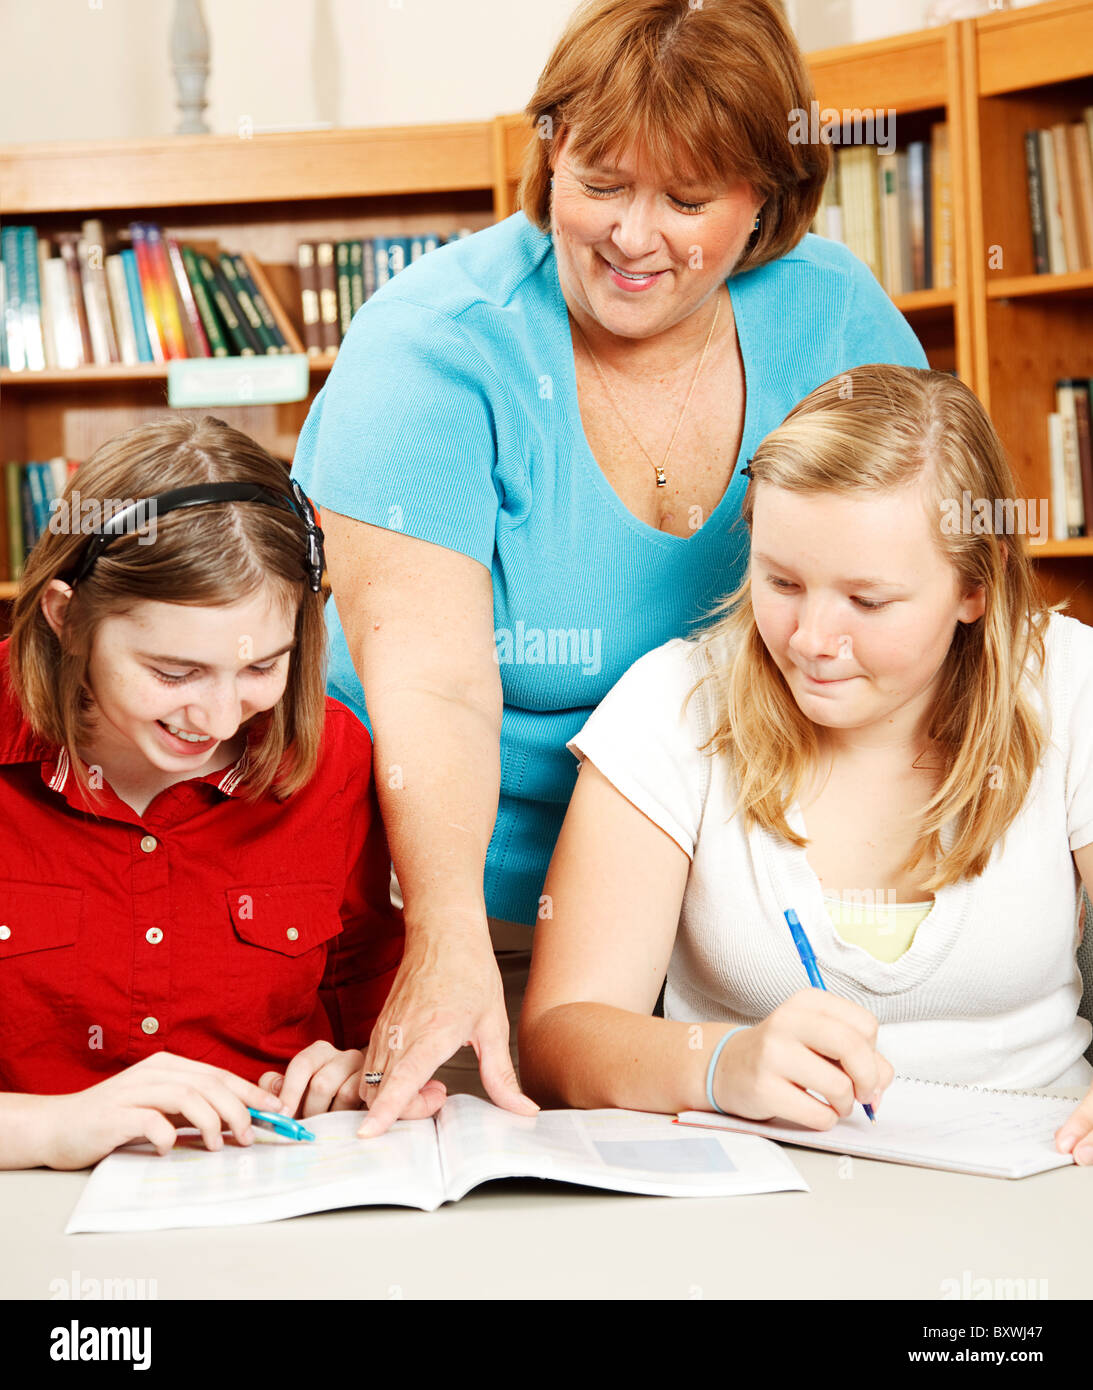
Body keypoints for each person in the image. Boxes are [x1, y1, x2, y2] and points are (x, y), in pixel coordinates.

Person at [290, 0, 928, 1136]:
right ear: (548, 158)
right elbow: (434, 687)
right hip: (455, 919)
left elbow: (922, 601)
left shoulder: (834, 317)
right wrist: (445, 943)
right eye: (599, 182)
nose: (633, 237)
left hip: (729, 930)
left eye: (685, 201)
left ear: (764, 202)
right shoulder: (434, 344)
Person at [518, 364, 1093, 1164]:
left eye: (868, 601)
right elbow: (557, 1037)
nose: (811, 640)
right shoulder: (672, 704)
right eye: (781, 581)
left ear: (975, 585)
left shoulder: (1068, 685)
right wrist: (719, 1064)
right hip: (763, 1193)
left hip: (1044, 1180)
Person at [0, 416, 424, 1171]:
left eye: (263, 667)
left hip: (272, 1190)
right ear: (68, 621)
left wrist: (367, 1069)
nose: (221, 719)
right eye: (173, 673)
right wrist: (49, 1127)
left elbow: (372, 999)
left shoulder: (333, 757)